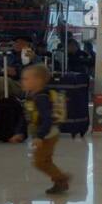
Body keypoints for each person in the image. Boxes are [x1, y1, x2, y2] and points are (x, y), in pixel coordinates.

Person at [21, 63, 71, 195]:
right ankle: (59, 183)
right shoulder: (33, 95)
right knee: (46, 160)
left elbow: (47, 118)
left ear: (38, 81)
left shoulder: (41, 97)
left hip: (47, 134)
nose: (23, 81)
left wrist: (40, 136)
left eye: (26, 79)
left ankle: (61, 178)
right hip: (47, 132)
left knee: (39, 162)